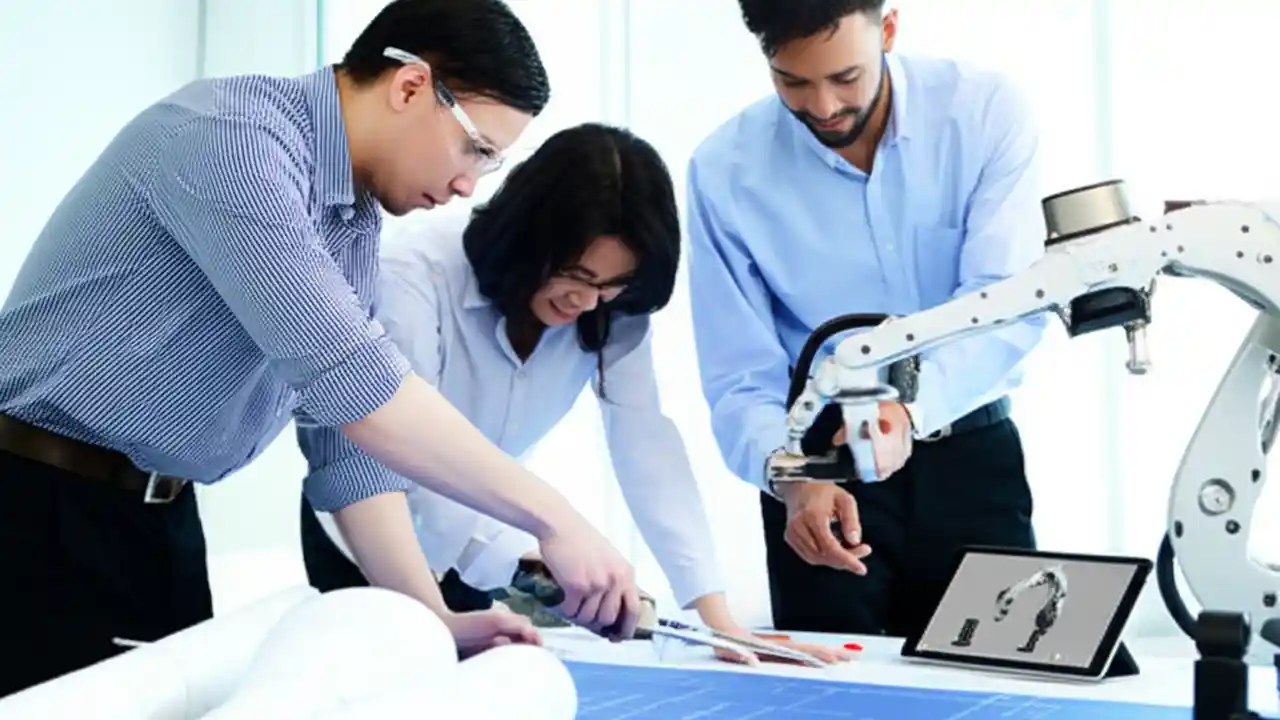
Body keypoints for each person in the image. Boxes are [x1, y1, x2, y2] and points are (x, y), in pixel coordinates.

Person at [0, 0, 643, 698]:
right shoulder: (231, 141)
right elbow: (358, 390)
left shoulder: (351, 224)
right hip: (35, 505)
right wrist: (557, 520)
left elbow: (346, 449)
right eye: (477, 150)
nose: (468, 186)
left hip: (159, 520)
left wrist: (432, 614)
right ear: (410, 88)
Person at [298, 122, 852, 665]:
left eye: (610, 286)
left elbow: (645, 445)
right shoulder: (413, 271)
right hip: (370, 526)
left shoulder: (613, 311)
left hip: (486, 529)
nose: (586, 303)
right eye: (574, 275)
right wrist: (529, 552)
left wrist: (717, 619)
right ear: (527, 237)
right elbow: (398, 451)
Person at [686, 0, 1048, 638]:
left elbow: (1007, 303)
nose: (823, 107)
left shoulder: (983, 112)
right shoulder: (724, 172)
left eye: (845, 77)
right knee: (832, 694)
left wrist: (909, 409)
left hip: (970, 454)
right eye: (792, 81)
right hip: (819, 468)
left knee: (999, 682)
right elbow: (741, 371)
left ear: (887, 30)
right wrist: (793, 480)